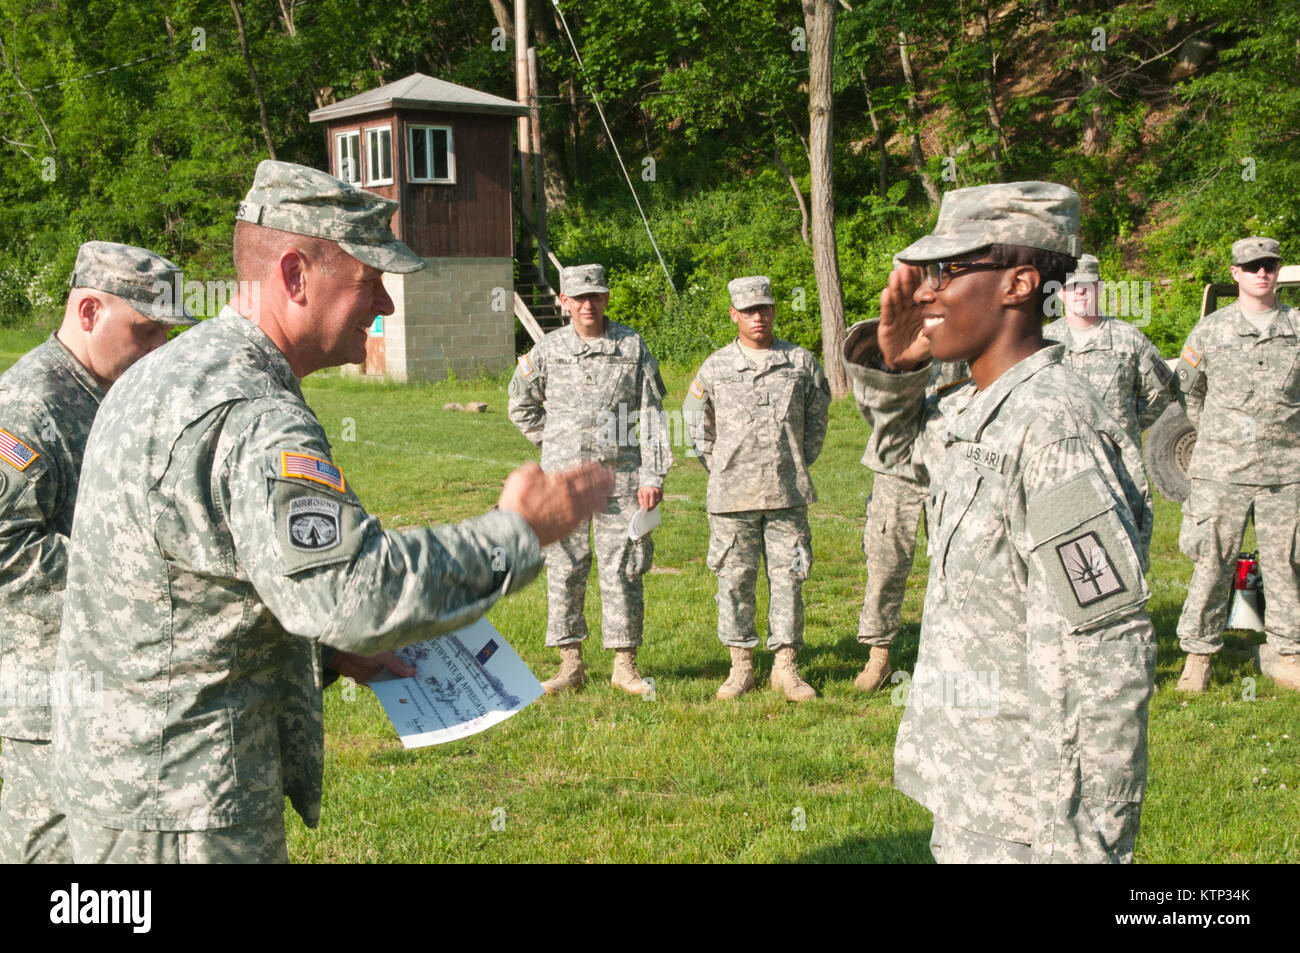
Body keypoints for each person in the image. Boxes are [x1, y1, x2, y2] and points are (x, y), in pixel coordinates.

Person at [50, 160, 612, 864]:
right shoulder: (252, 412)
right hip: (184, 811)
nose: (386, 305)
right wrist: (519, 531)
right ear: (294, 275)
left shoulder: (172, 372)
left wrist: (324, 653)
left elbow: (189, 585)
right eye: (368, 280)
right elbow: (359, 591)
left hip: (129, 787)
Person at [844, 182, 1156, 863]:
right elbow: (898, 456)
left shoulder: (1052, 430)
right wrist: (897, 367)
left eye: (947, 272)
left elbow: (1103, 648)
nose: (924, 293)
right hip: (973, 785)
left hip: (1033, 812)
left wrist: (1080, 835)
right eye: (925, 275)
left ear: (1018, 283)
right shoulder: (972, 410)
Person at [0, 241, 194, 864]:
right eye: (146, 330)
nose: (159, 348)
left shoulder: (112, 391)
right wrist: (141, 583)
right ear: (88, 312)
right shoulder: (27, 406)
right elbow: (8, 549)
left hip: (113, 685)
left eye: (168, 332)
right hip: (47, 700)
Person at [507, 264, 671, 696]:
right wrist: (553, 442)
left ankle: (624, 664)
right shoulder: (546, 350)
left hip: (623, 481)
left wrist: (653, 473)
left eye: (595, 296)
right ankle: (570, 664)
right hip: (563, 484)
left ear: (606, 298)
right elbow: (519, 404)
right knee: (565, 567)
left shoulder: (631, 346)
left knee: (623, 570)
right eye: (578, 297)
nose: (587, 304)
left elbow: (652, 415)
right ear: (564, 302)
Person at [684, 276, 830, 702]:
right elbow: (695, 424)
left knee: (789, 579)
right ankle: (741, 667)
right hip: (732, 497)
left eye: (764, 308)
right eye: (749, 311)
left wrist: (795, 461)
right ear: (734, 315)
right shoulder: (715, 367)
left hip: (787, 493)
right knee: (734, 580)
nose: (758, 317)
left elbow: (817, 420)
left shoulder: (801, 362)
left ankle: (785, 666)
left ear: (773, 311)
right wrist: (720, 467)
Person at [1174, 236, 1300, 693]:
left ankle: (1287, 652)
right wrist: (1219, 435)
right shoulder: (1210, 332)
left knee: (1287, 562)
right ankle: (1198, 656)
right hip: (1221, 471)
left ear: (1278, 270)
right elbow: (1191, 392)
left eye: (1268, 265)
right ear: (1235, 273)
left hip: (1285, 471)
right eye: (1251, 267)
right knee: (1212, 559)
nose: (1261, 273)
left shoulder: (1298, 328)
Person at [850, 358, 971, 692]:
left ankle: (954, 653)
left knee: (956, 559)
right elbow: (867, 395)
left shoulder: (964, 324)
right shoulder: (891, 337)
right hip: (895, 460)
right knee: (886, 560)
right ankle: (879, 656)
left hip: (950, 457)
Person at [1043, 252, 1177, 492]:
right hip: (1061, 467)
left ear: (1100, 287)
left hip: (1119, 468)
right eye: (1072, 286)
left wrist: (1126, 424)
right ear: (1060, 292)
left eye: (1087, 284)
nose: (1080, 291)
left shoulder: (1129, 338)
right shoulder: (1043, 343)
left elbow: (1161, 391)